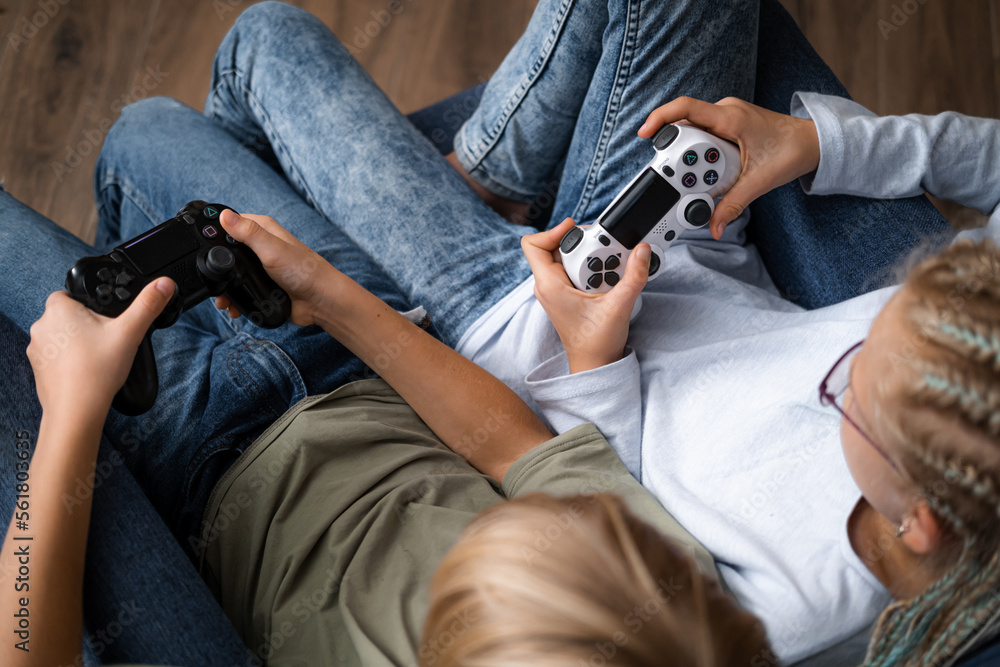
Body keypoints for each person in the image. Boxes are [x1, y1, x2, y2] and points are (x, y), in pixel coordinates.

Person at [192, 1, 1000, 666]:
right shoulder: (966, 358)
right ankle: (490, 173)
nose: (834, 372)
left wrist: (592, 361)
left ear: (917, 521)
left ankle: (492, 181)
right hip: (683, 246)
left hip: (533, 334)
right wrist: (821, 143)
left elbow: (616, 535)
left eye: (847, 384)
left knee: (264, 43)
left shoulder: (798, 618)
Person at [0, 195, 770, 666]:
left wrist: (69, 410)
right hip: (355, 361)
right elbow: (516, 449)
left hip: (192, 469)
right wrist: (329, 295)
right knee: (152, 126)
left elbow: (34, 650)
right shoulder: (672, 614)